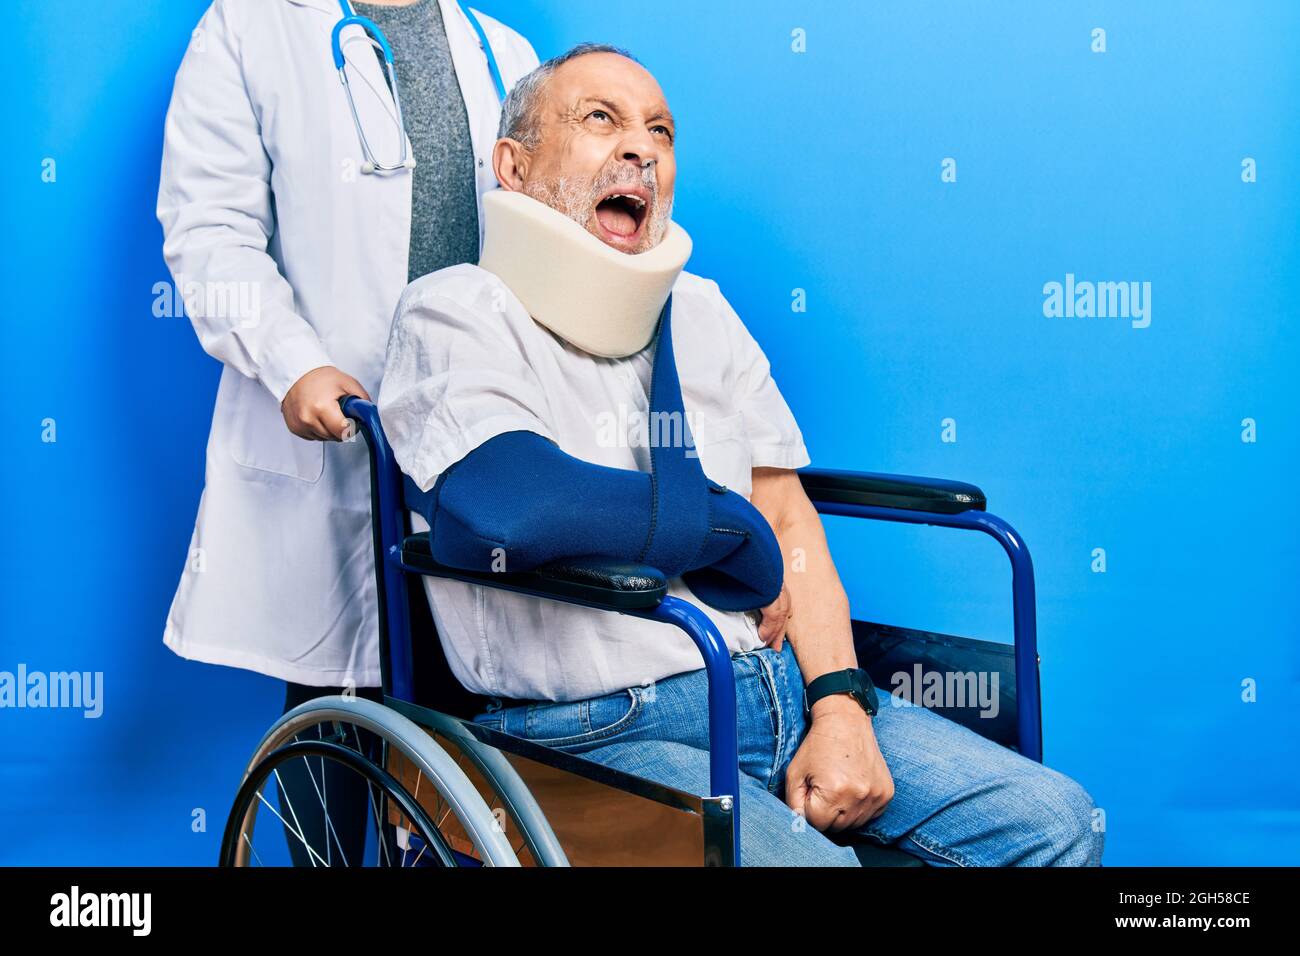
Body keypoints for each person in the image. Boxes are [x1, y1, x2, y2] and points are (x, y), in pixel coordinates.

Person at [377, 43, 1105, 866]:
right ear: (514, 164)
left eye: (661, 130)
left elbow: (786, 515)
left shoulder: (700, 311)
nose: (640, 147)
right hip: (596, 732)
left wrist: (839, 705)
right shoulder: (455, 312)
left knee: (1059, 821)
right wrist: (729, 532)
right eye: (600, 119)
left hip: (780, 692)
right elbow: (510, 503)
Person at [155, 0, 539, 864]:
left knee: (476, 768)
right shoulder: (250, 26)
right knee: (334, 735)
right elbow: (209, 231)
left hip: (478, 448)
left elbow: (547, 231)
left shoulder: (501, 49)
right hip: (340, 440)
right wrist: (292, 362)